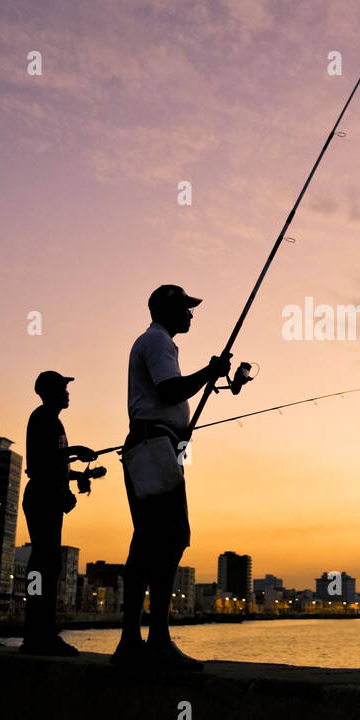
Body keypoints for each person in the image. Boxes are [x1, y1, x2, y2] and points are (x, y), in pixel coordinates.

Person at [111, 285, 232, 671]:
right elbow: (168, 390)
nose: (192, 315)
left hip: (152, 445)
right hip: (153, 448)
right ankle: (157, 640)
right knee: (171, 536)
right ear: (167, 308)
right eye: (187, 308)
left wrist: (180, 427)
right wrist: (210, 373)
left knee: (146, 540)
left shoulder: (154, 343)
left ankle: (132, 642)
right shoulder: (157, 342)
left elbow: (166, 397)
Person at [21, 370, 103, 656]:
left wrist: (78, 473)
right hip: (42, 497)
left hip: (46, 496)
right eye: (63, 388)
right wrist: (76, 450)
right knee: (44, 564)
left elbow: (54, 466)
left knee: (48, 565)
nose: (68, 393)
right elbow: (41, 464)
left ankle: (40, 633)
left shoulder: (53, 421)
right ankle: (38, 635)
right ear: (49, 392)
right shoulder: (43, 418)